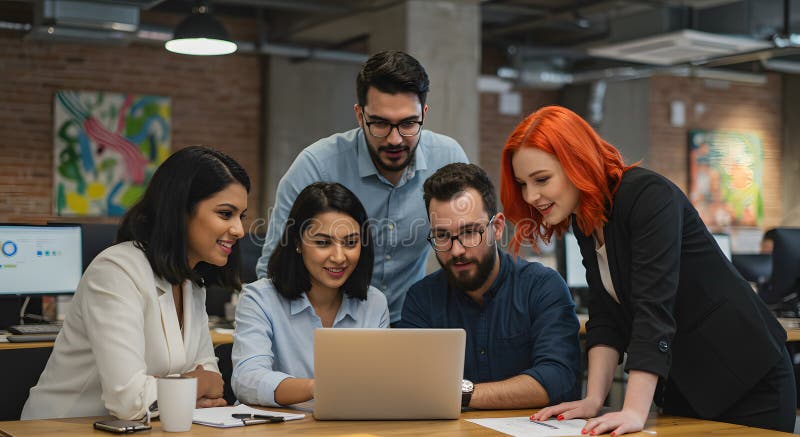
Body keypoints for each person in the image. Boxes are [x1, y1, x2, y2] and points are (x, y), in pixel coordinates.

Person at [501, 106, 795, 435]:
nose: (531, 196)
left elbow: (653, 308)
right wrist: (593, 400)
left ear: (577, 161)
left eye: (541, 180)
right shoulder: (586, 223)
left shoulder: (647, 196)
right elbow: (606, 315)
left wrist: (633, 411)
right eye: (523, 184)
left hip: (748, 380)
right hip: (690, 384)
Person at [22, 146, 249, 420]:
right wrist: (193, 384)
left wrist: (171, 387)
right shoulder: (117, 270)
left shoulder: (192, 282)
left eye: (241, 216)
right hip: (61, 427)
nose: (239, 230)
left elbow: (214, 384)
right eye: (226, 214)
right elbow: (129, 401)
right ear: (181, 210)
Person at [255, 50, 468, 324]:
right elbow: (273, 268)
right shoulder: (316, 166)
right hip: (328, 323)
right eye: (379, 123)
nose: (394, 139)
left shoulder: (447, 159)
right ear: (359, 115)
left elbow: (470, 246)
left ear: (423, 114)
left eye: (408, 124)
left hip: (412, 322)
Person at [398, 163, 582, 410]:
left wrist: (461, 393)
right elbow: (412, 386)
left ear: (496, 228)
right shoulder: (422, 300)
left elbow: (559, 378)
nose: (457, 250)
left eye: (470, 232)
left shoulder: (541, 287)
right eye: (442, 236)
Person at [233, 182, 389, 407]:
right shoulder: (260, 298)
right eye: (323, 242)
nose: (338, 257)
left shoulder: (374, 303)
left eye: (350, 243)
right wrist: (317, 388)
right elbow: (247, 380)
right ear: (297, 242)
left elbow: (382, 386)